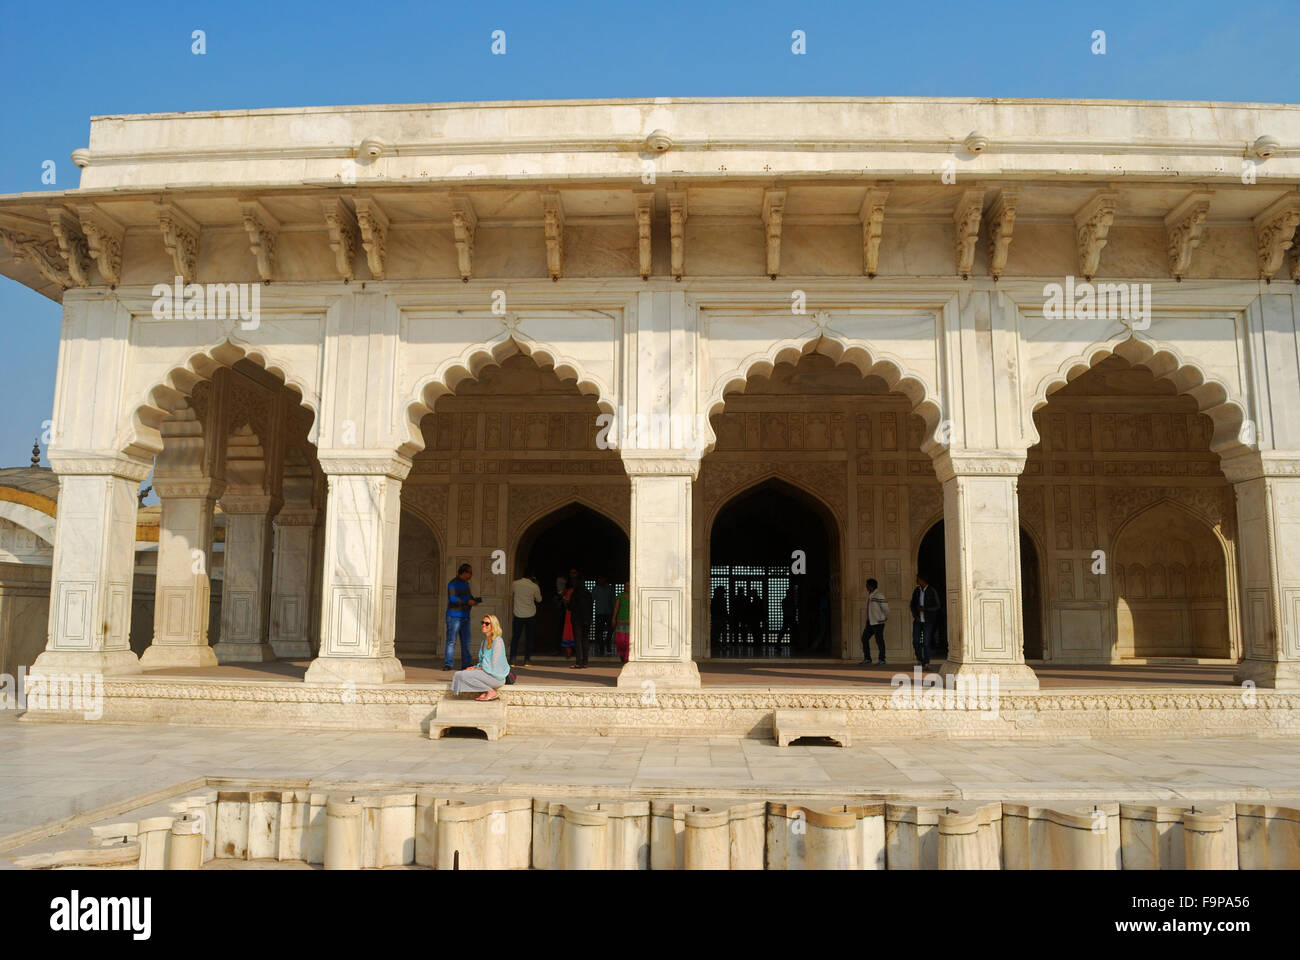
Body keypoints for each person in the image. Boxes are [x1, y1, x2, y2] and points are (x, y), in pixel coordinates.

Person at [451, 614, 510, 701]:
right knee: (459, 674)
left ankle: (490, 691)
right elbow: (482, 662)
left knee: (462, 675)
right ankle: (484, 690)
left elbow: (493, 664)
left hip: (496, 677)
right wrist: (473, 667)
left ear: (493, 626)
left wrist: (477, 669)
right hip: (486, 673)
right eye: (482, 622)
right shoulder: (484, 642)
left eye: (487, 623)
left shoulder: (498, 641)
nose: (483, 625)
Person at [445, 563, 481, 671]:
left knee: (466, 641)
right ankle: (448, 664)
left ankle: (466, 664)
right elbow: (453, 599)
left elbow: (468, 597)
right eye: (469, 572)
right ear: (464, 572)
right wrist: (467, 601)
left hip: (465, 616)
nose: (471, 574)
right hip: (454, 616)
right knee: (451, 641)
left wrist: (474, 600)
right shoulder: (453, 583)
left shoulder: (466, 584)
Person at [510, 571, 542, 665]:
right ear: (532, 577)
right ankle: (527, 660)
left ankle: (512, 659)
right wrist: (536, 585)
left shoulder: (515, 584)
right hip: (530, 615)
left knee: (515, 637)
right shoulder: (534, 586)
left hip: (518, 614)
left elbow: (511, 594)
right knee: (529, 638)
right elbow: (539, 599)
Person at [910, 574, 941, 668]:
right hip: (918, 620)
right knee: (915, 641)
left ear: (922, 580)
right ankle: (920, 659)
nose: (916, 581)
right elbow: (912, 604)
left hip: (928, 621)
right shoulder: (917, 591)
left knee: (926, 642)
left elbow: (937, 606)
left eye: (918, 579)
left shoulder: (932, 591)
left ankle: (926, 662)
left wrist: (925, 609)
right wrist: (915, 615)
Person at [566, 568, 592, 669]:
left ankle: (578, 662)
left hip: (577, 620)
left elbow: (571, 607)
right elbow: (590, 606)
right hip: (587, 620)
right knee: (585, 639)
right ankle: (585, 662)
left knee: (578, 640)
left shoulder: (575, 593)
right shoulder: (588, 593)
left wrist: (566, 603)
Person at [861, 578, 889, 665]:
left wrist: (883, 618)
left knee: (879, 640)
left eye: (867, 585)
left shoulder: (879, 595)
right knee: (864, 638)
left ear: (871, 586)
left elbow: (886, 609)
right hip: (870, 622)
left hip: (878, 623)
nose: (866, 587)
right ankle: (867, 659)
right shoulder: (870, 595)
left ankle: (882, 659)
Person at [592, 575, 615, 657]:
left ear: (605, 579)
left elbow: (613, 602)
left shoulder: (610, 588)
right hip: (599, 613)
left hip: (609, 613)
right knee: (599, 632)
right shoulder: (595, 589)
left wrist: (615, 615)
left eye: (602, 578)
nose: (600, 580)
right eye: (599, 579)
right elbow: (591, 601)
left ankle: (607, 641)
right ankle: (601, 648)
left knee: (611, 629)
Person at [612, 588, 631, 663]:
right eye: (626, 585)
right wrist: (614, 618)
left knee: (628, 640)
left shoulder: (635, 594)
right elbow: (616, 607)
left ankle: (627, 657)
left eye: (629, 585)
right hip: (621, 619)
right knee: (620, 640)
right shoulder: (620, 595)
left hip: (631, 619)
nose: (628, 586)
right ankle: (622, 654)